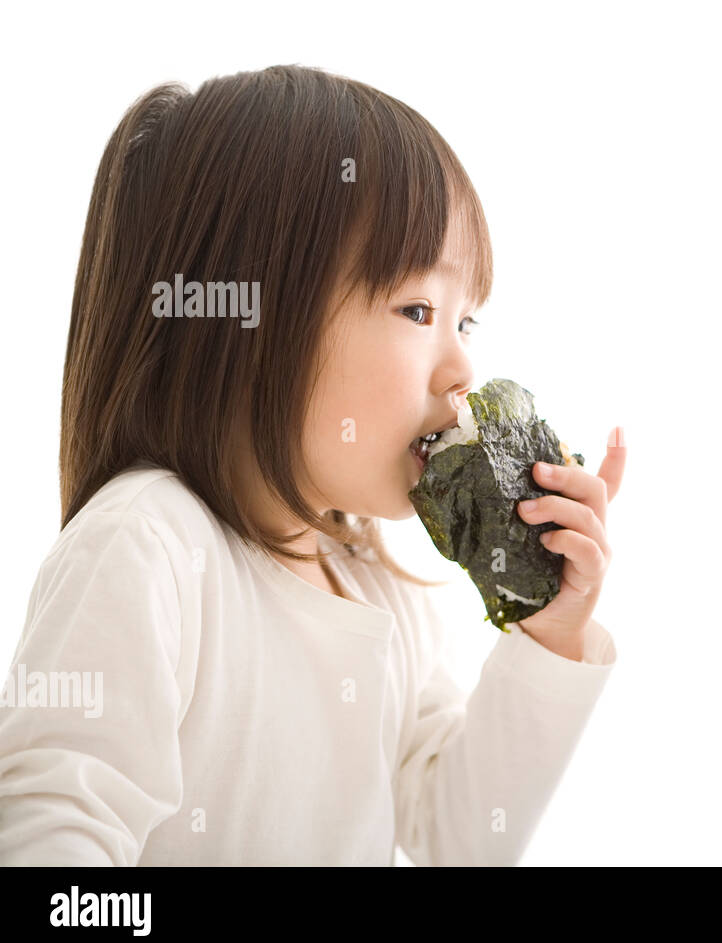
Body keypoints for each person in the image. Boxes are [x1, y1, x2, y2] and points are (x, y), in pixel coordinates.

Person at [0, 64, 627, 866]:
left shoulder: (378, 583)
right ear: (251, 323)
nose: (461, 372)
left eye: (466, 322)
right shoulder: (149, 544)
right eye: (417, 310)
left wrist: (549, 631)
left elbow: (457, 838)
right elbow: (56, 831)